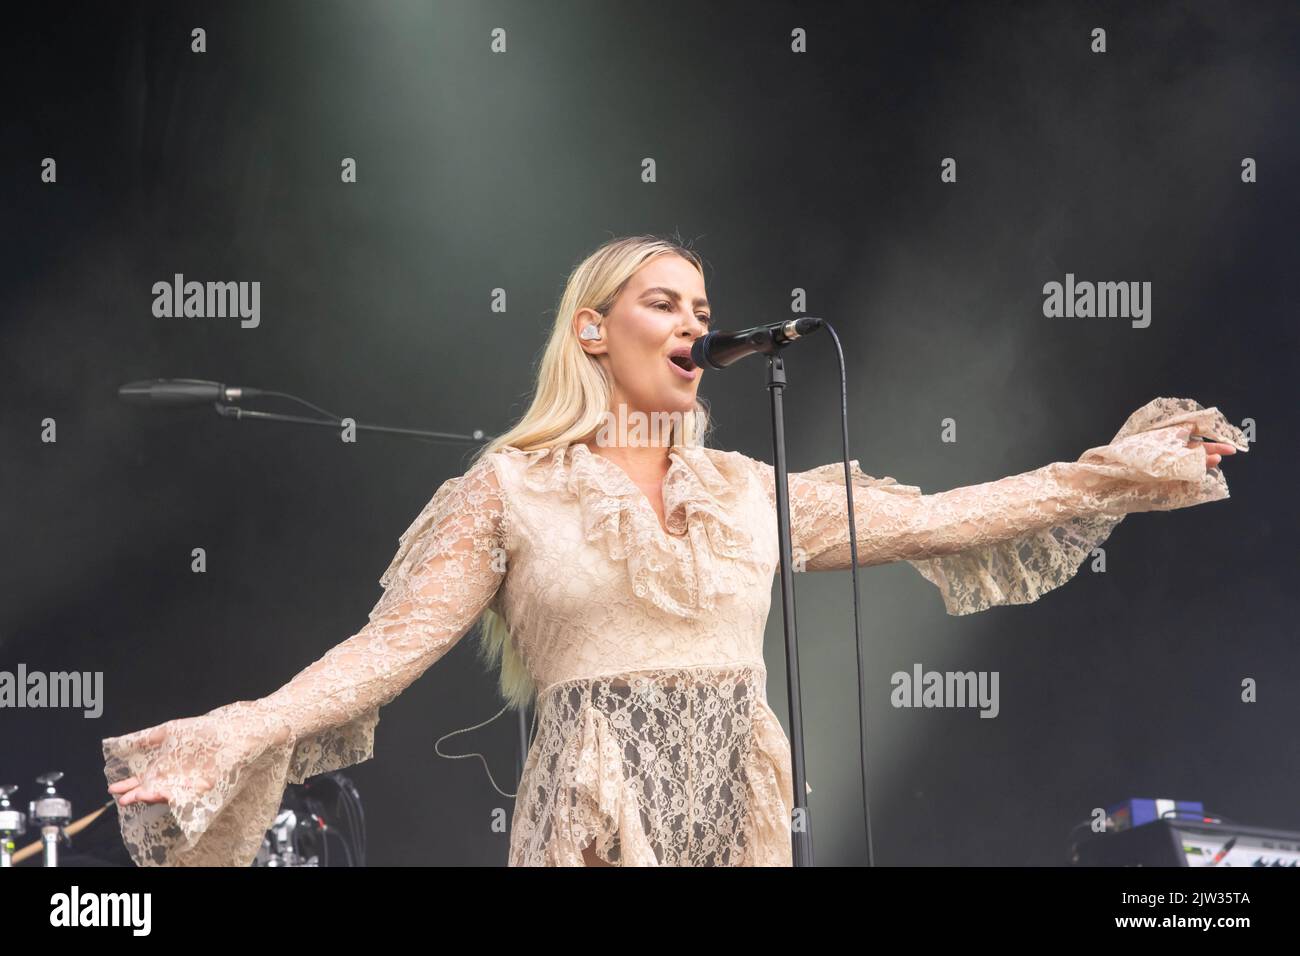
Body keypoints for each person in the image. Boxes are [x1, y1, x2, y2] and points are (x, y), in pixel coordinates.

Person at [103, 235, 1245, 867]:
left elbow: (953, 514)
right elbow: (381, 652)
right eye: (664, 301)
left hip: (734, 800)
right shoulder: (509, 488)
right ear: (593, 330)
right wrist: (230, 732)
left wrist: (1125, 466)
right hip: (597, 808)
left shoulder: (749, 491)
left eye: (703, 304)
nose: (697, 319)